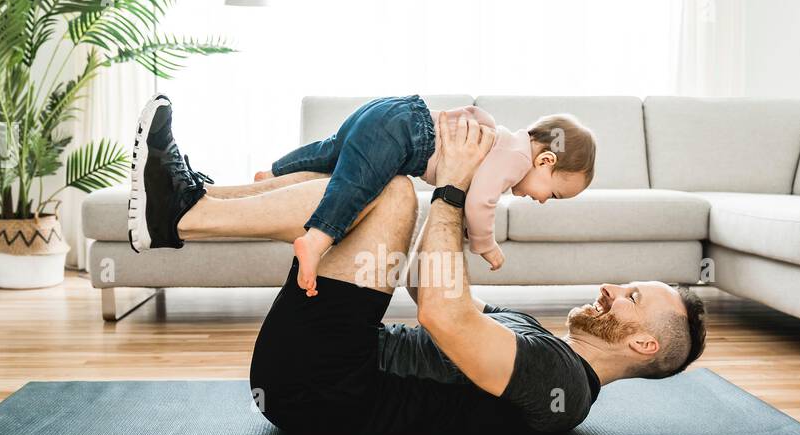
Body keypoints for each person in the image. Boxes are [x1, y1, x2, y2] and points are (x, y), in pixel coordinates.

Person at [125, 94, 707, 435]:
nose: (610, 289)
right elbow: (424, 284)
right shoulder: (544, 345)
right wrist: (452, 184)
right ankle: (187, 201)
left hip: (324, 386)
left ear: (643, 343)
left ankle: (181, 214)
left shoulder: (562, 387)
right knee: (386, 187)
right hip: (323, 368)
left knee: (396, 193)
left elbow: (440, 312)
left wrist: (452, 188)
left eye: (629, 298)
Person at [129, 94, 596, 296]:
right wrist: (485, 245)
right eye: (552, 194)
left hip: (393, 112)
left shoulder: (504, 138)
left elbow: (471, 115)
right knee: (355, 188)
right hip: (405, 135)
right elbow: (478, 202)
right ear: (546, 161)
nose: (539, 201)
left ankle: (226, 185)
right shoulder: (514, 158)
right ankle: (315, 240)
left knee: (333, 155)